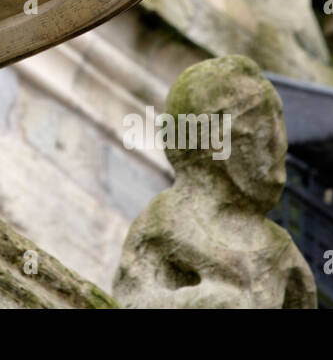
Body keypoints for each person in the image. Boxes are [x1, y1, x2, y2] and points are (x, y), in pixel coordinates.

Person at [113, 55, 317, 308]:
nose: (279, 143)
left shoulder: (283, 252)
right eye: (260, 127)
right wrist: (200, 301)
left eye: (280, 122)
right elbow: (130, 300)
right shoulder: (166, 220)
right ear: (214, 140)